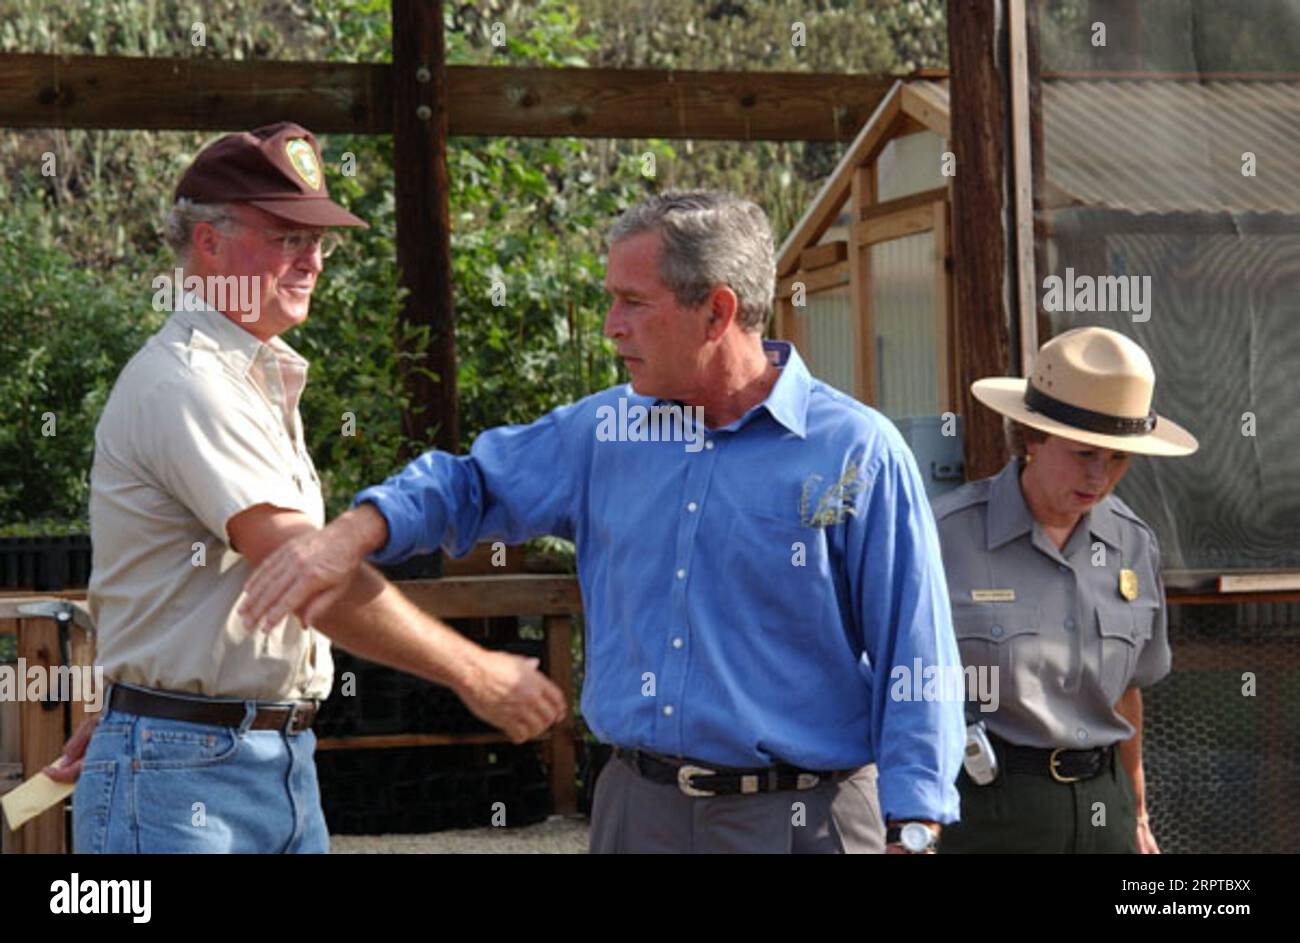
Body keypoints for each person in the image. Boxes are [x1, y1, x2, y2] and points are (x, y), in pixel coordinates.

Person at [240, 190, 965, 854]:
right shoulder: (604, 431)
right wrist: (350, 533)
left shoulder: (856, 452)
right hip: (634, 815)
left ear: (715, 311)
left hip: (806, 821)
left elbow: (917, 650)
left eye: (632, 302)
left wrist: (917, 823)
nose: (611, 325)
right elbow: (468, 484)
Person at [46, 122, 565, 853]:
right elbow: (308, 575)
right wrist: (474, 670)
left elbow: (206, 601)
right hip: (192, 772)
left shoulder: (243, 377)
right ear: (208, 245)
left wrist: (149, 709)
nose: (313, 259)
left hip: (244, 758)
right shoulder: (191, 383)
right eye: (287, 234)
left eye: (318, 239)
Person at [933, 326, 1197, 853]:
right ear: (1033, 437)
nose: (1099, 476)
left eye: (1117, 459)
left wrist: (1139, 814)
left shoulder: (1131, 544)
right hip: (989, 809)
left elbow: (1127, 695)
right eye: (1083, 454)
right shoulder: (946, 537)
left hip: (1106, 811)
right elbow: (898, 684)